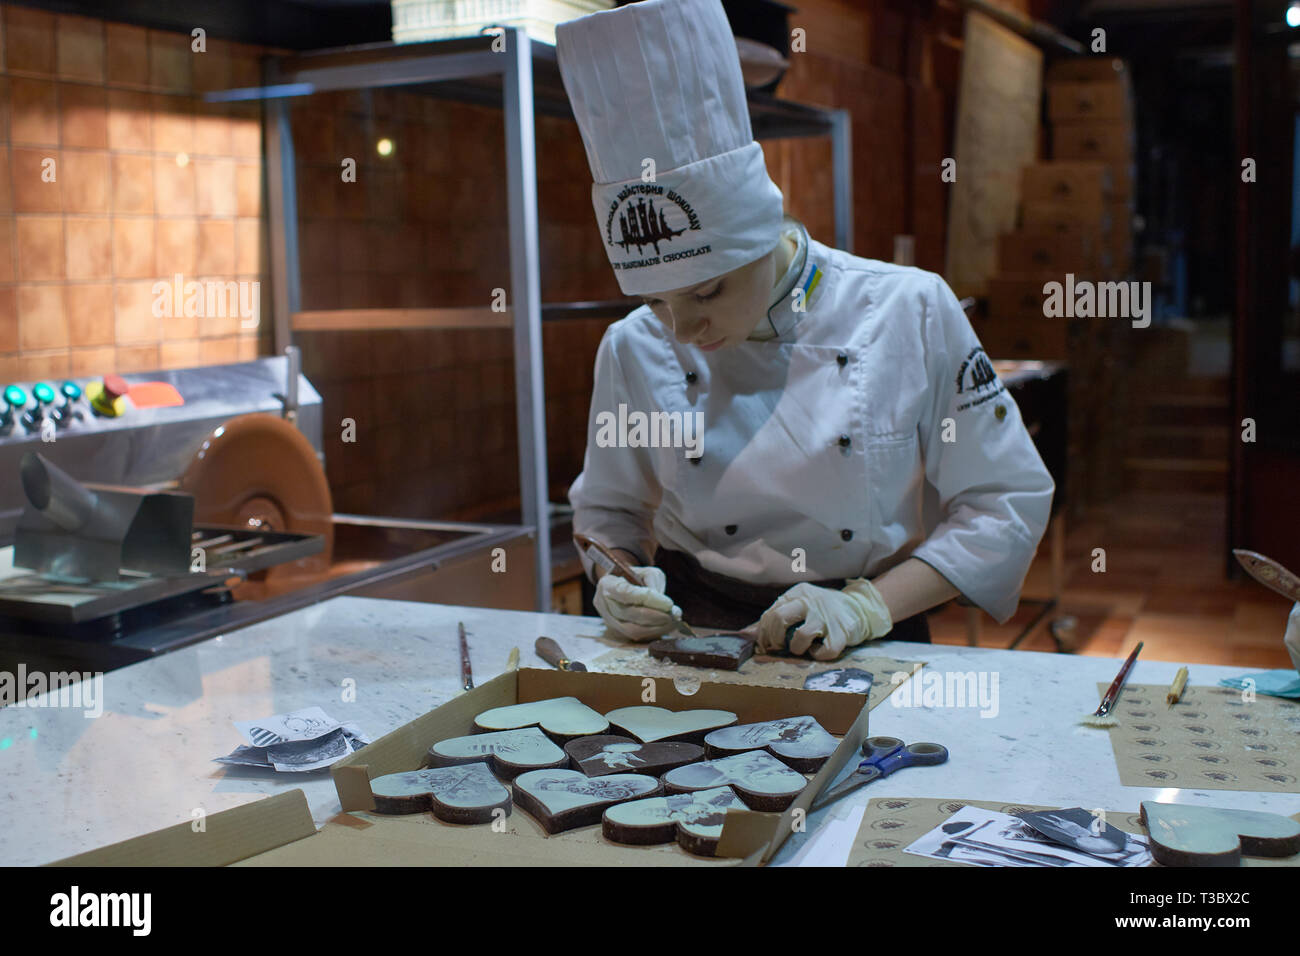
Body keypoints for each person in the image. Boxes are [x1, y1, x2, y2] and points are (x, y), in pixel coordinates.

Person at [556, 0, 1054, 660]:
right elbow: (607, 513)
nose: (683, 327)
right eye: (656, 302)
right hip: (692, 637)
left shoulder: (911, 311)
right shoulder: (631, 346)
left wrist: (868, 606)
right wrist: (617, 578)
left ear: (767, 234)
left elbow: (1004, 503)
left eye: (707, 291)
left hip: (869, 639)